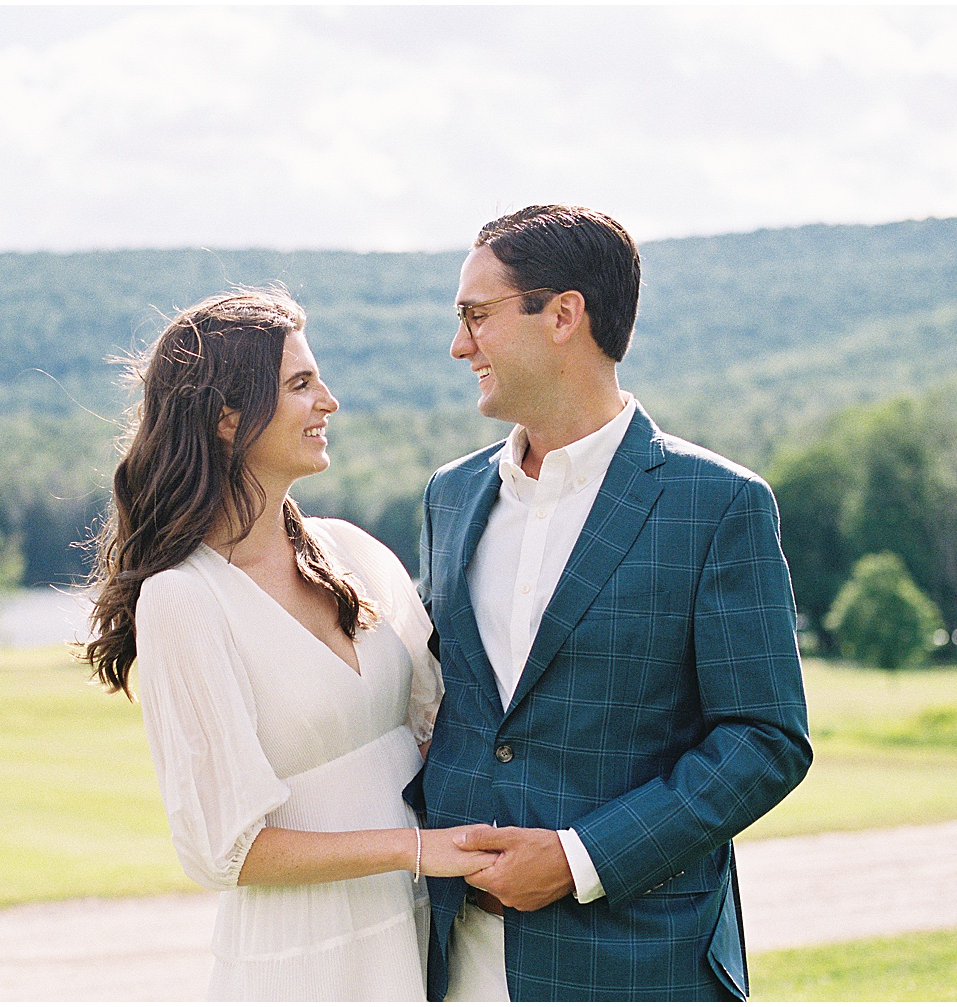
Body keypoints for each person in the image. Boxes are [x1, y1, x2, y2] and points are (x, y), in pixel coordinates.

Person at [408, 206, 813, 1001]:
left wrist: (578, 858)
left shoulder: (718, 504)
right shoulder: (449, 496)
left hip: (635, 960)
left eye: (477, 316)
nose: (460, 345)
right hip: (453, 955)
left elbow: (766, 739)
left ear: (564, 314)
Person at [83, 290, 495, 1001]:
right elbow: (228, 850)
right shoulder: (185, 599)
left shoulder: (354, 552)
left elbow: (443, 730)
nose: (328, 402)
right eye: (301, 384)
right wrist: (418, 849)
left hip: (420, 929)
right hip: (304, 959)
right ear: (226, 418)